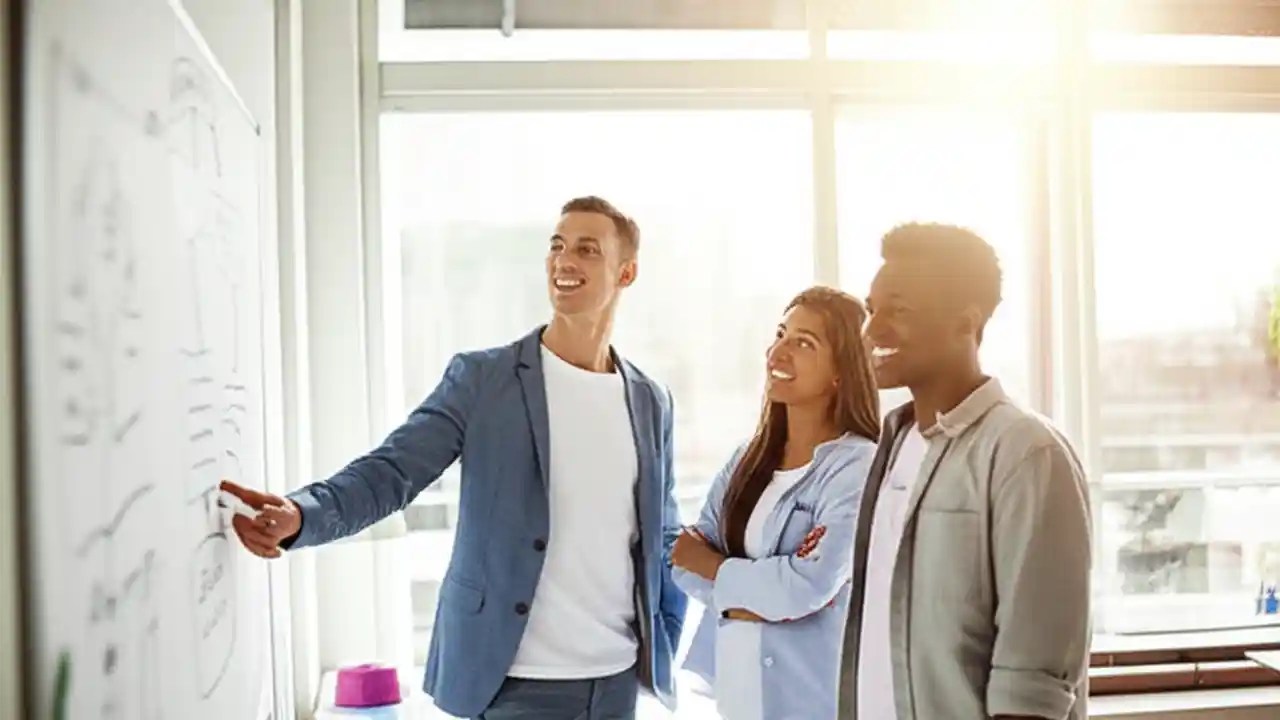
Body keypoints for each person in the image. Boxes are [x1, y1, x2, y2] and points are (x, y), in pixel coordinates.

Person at [220, 196, 688, 720]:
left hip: (616, 679)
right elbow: (392, 471)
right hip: (512, 679)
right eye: (557, 246)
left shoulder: (650, 400)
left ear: (626, 273)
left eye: (587, 249)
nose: (565, 261)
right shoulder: (484, 380)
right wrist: (303, 514)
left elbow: (662, 531)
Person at [836, 223, 1092, 720]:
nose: (872, 331)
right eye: (872, 310)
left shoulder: (1027, 453)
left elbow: (1033, 681)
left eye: (899, 311)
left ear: (965, 322)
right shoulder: (893, 443)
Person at [671, 286, 880, 720]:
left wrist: (716, 568)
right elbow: (681, 562)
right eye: (781, 334)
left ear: (842, 370)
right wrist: (765, 596)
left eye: (804, 343)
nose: (779, 352)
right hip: (737, 698)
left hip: (813, 702)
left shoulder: (856, 466)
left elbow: (807, 586)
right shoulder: (747, 459)